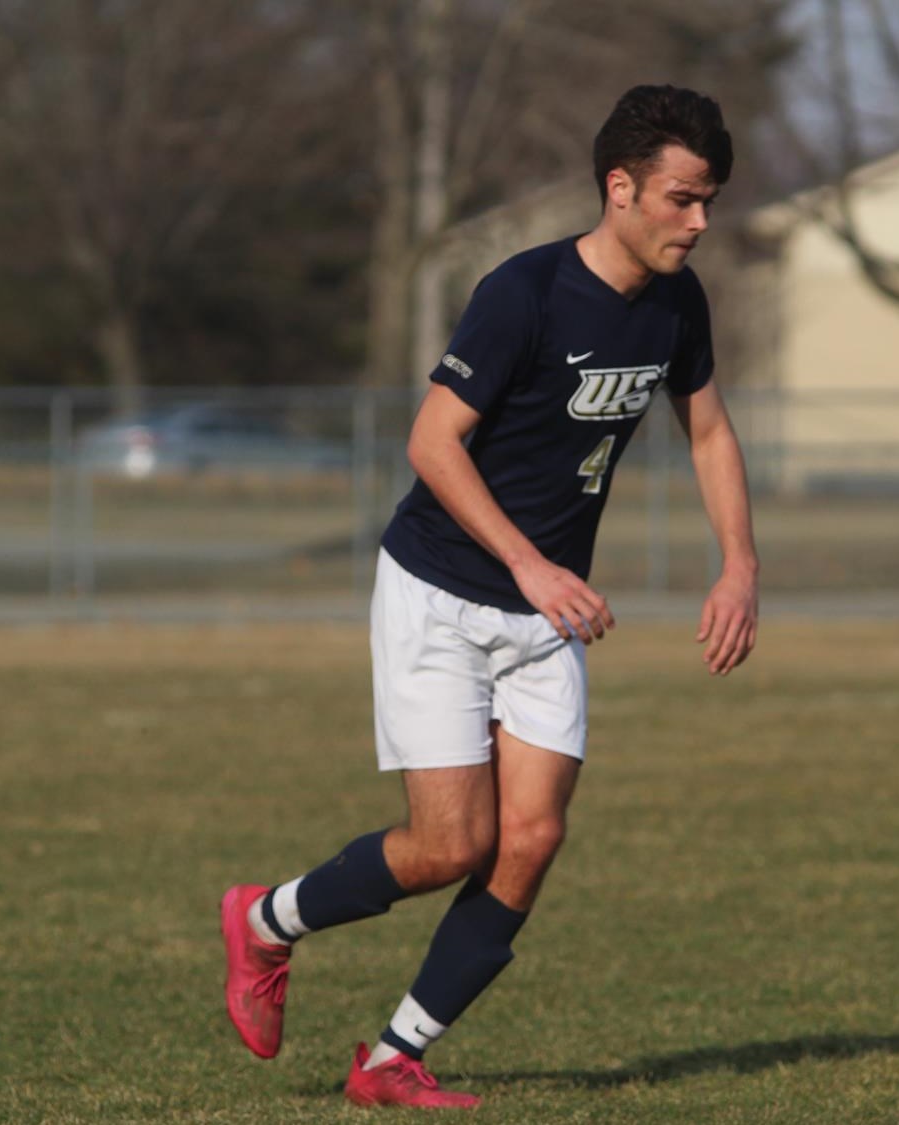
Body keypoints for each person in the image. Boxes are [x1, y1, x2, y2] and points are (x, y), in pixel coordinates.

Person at [219, 84, 760, 1110]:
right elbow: (431, 441)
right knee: (449, 846)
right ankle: (262, 922)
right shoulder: (526, 292)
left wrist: (739, 565)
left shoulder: (677, 304)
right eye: (683, 198)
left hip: (543, 610)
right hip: (440, 589)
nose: (699, 221)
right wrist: (528, 564)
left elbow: (710, 430)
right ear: (620, 187)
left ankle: (392, 1058)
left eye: (709, 201)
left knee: (533, 838)